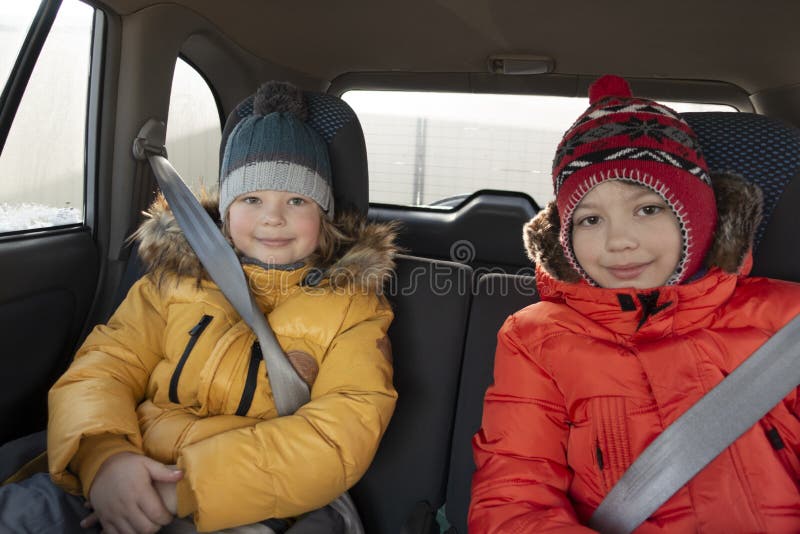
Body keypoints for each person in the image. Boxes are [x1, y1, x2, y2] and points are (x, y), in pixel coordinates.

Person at [2, 81, 398, 533]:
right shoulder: (174, 281)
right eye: (251, 199)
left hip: (250, 501)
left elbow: (340, 432)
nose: (273, 217)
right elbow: (103, 367)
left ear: (323, 214)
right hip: (125, 471)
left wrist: (187, 489)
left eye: (296, 200)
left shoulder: (353, 308)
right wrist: (104, 455)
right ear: (226, 212)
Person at [469, 74, 800, 532]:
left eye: (648, 209)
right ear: (565, 236)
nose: (619, 241)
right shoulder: (537, 338)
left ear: (700, 216)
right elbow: (514, 498)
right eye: (590, 219)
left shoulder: (788, 322)